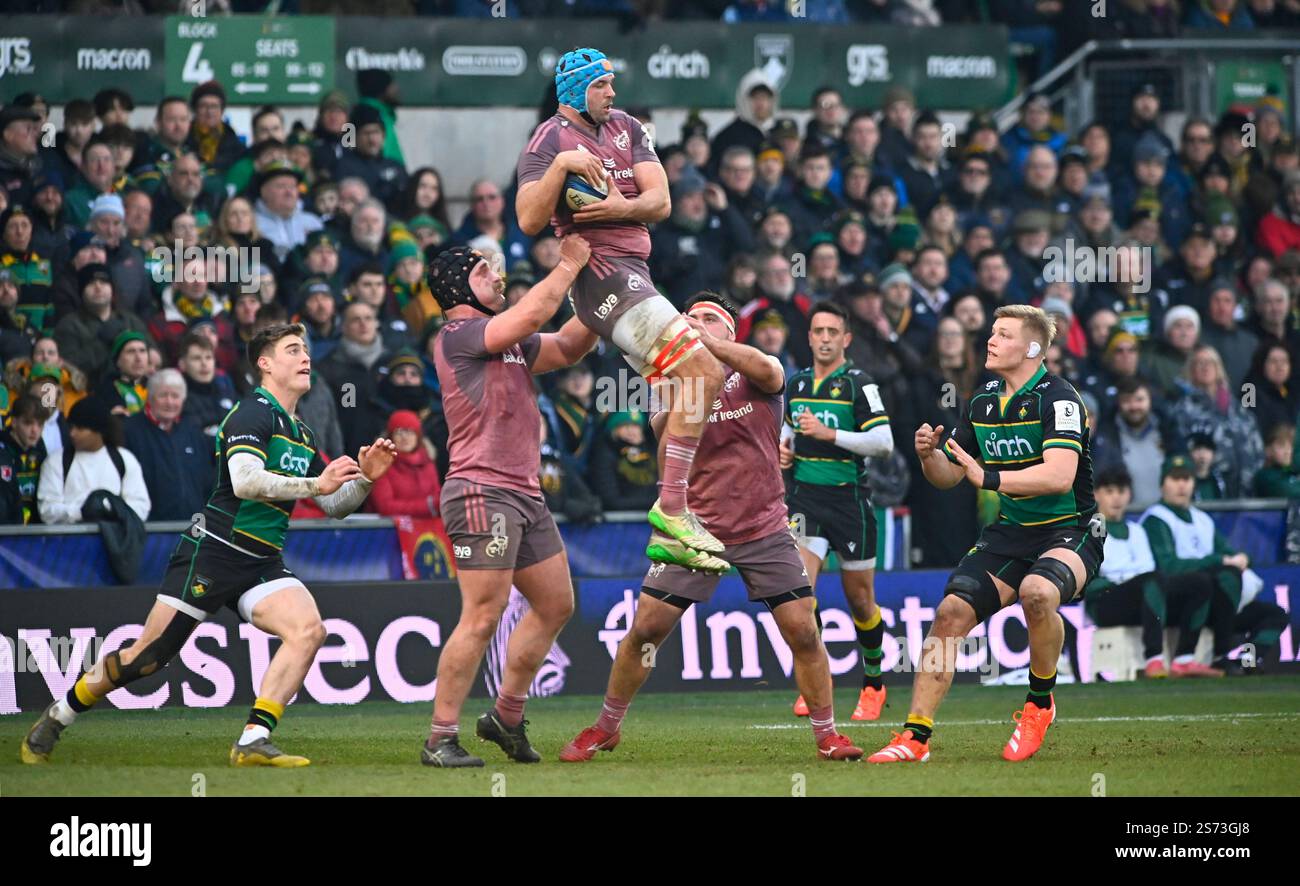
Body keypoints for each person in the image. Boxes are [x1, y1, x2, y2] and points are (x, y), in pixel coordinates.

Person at [20, 323, 397, 767]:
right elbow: (245, 480)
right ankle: (58, 715)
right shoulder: (251, 413)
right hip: (215, 549)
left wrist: (367, 477)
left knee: (309, 631)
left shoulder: (303, 431)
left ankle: (253, 740)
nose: (305, 358)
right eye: (293, 350)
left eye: (306, 350)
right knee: (146, 658)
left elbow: (334, 505)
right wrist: (317, 482)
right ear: (265, 363)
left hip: (261, 560)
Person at [560, 293, 863, 763]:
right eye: (689, 319)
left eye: (708, 319)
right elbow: (667, 461)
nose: (696, 324)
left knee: (803, 630)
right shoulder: (674, 385)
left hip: (764, 526)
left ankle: (827, 736)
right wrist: (673, 396)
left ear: (730, 330)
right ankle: (606, 726)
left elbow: (770, 369)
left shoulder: (757, 373)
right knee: (644, 631)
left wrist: (704, 344)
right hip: (695, 528)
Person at [515, 48, 726, 567]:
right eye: (603, 85)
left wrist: (618, 208)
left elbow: (660, 202)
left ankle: (670, 532)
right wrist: (563, 166)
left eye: (612, 83)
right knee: (704, 369)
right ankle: (674, 506)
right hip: (602, 274)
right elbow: (527, 219)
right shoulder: (549, 139)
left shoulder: (628, 126)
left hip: (636, 271)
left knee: (680, 392)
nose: (613, 93)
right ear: (577, 91)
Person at [869, 305, 1102, 764]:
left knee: (1038, 593)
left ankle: (1039, 704)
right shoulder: (981, 400)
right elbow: (950, 477)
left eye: (1003, 334)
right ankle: (915, 737)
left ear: (1033, 348)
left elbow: (1058, 476)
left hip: (1070, 528)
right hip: (1012, 531)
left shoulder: (1060, 399)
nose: (990, 341)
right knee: (950, 614)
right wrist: (929, 456)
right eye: (992, 333)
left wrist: (989, 478)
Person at [422, 239, 601, 768]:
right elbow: (531, 313)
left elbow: (570, 346)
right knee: (482, 614)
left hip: (524, 492)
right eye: (486, 271)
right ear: (458, 286)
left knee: (555, 605)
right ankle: (439, 738)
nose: (498, 278)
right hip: (481, 489)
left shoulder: (508, 338)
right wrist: (569, 264)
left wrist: (603, 295)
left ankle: (505, 716)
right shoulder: (458, 334)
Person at [778, 301, 894, 720]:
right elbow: (787, 428)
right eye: (818, 331)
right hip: (806, 500)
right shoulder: (796, 382)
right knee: (800, 598)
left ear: (845, 339)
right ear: (808, 337)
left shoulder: (859, 384)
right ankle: (817, 683)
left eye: (833, 332)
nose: (824, 338)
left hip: (850, 502)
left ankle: (874, 684)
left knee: (860, 601)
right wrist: (783, 449)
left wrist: (831, 434)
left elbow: (883, 442)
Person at [1142, 454, 1290, 674]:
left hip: (1217, 602)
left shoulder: (1201, 518)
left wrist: (1242, 558)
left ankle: (1246, 661)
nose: (1182, 485)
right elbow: (1168, 565)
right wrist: (1217, 562)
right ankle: (1220, 655)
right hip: (1182, 600)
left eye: (1187, 478)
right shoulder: (1157, 518)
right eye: (1175, 478)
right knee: (1217, 577)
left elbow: (1229, 552)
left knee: (1274, 614)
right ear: (1163, 484)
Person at [1083, 465, 1221, 679]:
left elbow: (1148, 569)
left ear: (1129, 495)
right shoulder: (1095, 526)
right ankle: (1153, 659)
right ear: (1096, 494)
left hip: (1142, 596)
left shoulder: (1137, 531)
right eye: (1109, 492)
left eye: (1121, 491)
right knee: (1152, 581)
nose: (1116, 498)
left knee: (1200, 582)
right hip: (1106, 601)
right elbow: (1093, 574)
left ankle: (1184, 659)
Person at [35, 396, 150, 526]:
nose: (72, 433)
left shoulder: (124, 459)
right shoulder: (56, 461)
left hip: (114, 543)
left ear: (98, 431)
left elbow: (141, 506)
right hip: (68, 543)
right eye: (71, 427)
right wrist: (82, 512)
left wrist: (111, 510)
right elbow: (47, 510)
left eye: (80, 428)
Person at [122, 369, 214, 522]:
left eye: (175, 396)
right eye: (163, 395)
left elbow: (205, 481)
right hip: (150, 529)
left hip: (192, 528)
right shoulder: (130, 431)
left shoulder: (192, 432)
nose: (170, 402)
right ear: (150, 398)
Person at [368, 409, 441, 518]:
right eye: (399, 432)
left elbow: (437, 497)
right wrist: (428, 506)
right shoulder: (381, 465)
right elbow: (385, 507)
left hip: (425, 532)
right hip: (387, 532)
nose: (404, 437)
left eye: (410, 431)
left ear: (418, 436)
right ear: (390, 437)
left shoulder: (427, 462)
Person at [0, 393, 49, 524]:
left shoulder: (41, 450)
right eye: (28, 423)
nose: (35, 430)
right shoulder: (2, 449)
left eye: (40, 425)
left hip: (34, 534)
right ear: (14, 422)